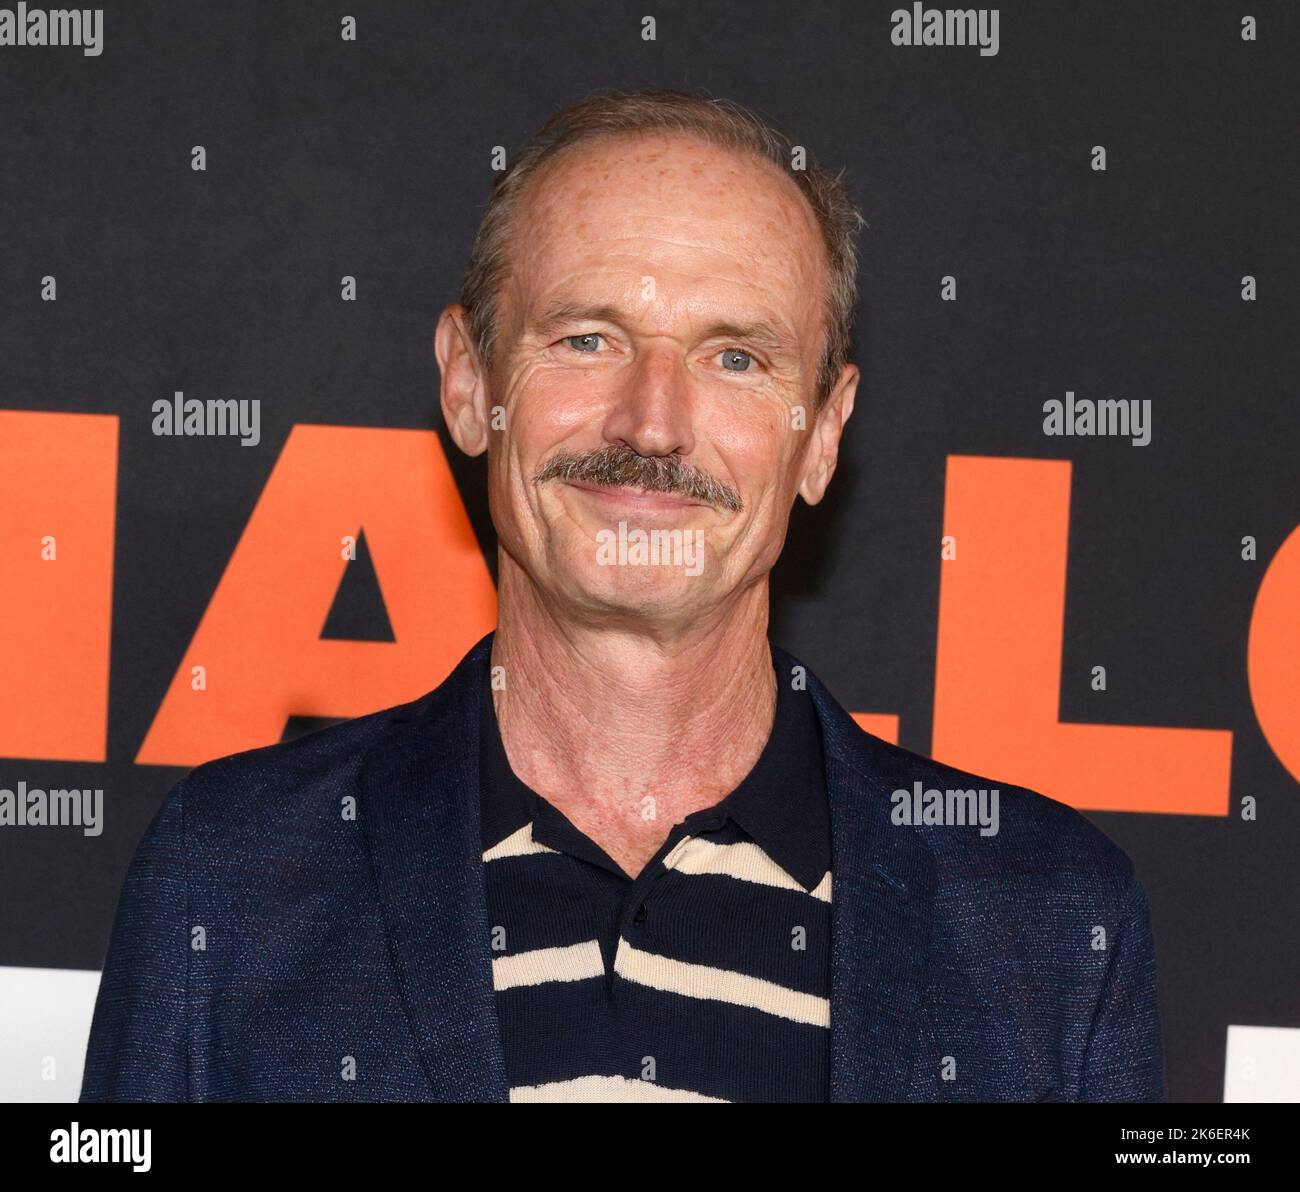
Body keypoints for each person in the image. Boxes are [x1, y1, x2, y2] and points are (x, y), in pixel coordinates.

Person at [80, 88, 1164, 1103]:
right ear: (469, 385)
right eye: (586, 339)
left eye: (735, 357)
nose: (650, 423)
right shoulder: (230, 876)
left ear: (823, 434)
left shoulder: (1050, 924)